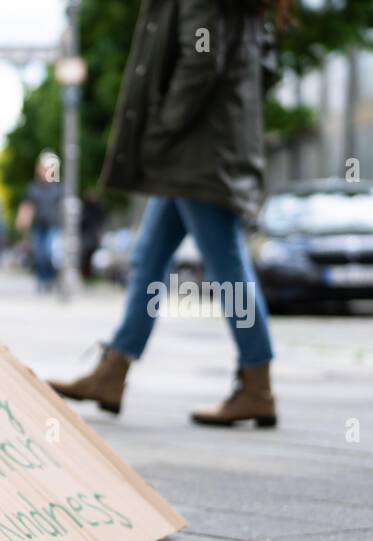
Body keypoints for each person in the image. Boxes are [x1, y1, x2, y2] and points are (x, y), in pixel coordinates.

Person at [49, 0, 282, 427]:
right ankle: (112, 372)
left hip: (198, 153)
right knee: (149, 257)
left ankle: (257, 385)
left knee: (226, 264)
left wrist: (165, 126)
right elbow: (265, 66)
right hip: (205, 149)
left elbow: (202, 57)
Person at [16, 151, 64, 292]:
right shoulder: (33, 188)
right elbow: (27, 207)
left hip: (54, 226)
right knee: (39, 255)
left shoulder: (58, 188)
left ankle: (49, 279)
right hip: (38, 226)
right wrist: (23, 223)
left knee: (49, 254)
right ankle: (41, 281)